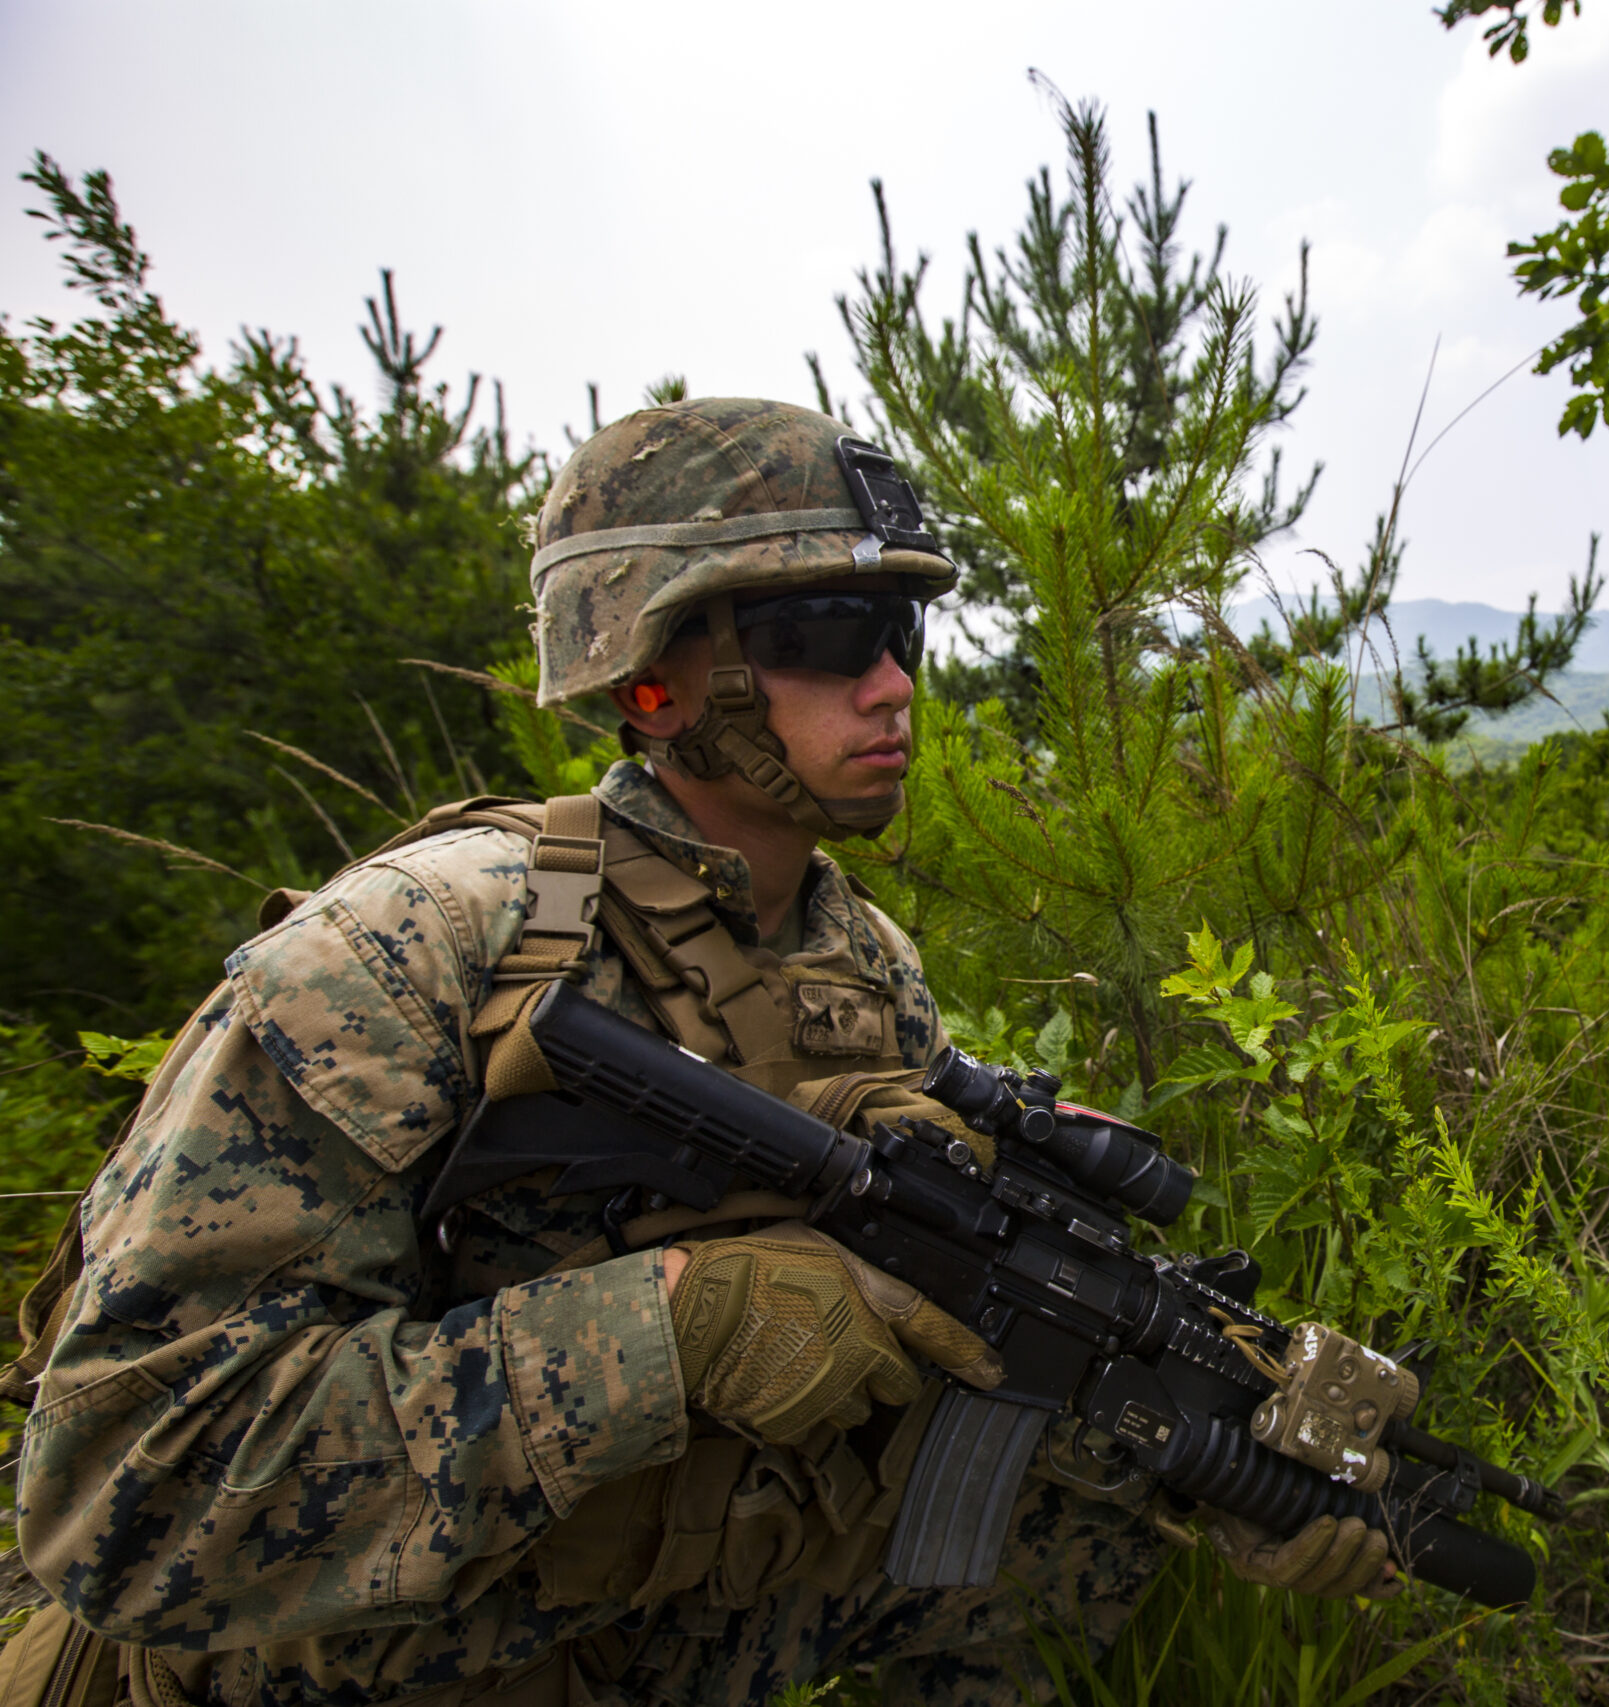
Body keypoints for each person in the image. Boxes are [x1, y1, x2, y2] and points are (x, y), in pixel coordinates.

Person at [4, 399, 1393, 1707]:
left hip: (618, 1636)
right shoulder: (422, 946)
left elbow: (958, 1351)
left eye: (904, 628)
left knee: (1073, 1545)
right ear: (658, 676)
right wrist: (675, 1330)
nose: (895, 684)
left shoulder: (863, 969)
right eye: (834, 633)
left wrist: (1213, 1467)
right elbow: (127, 1492)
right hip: (308, 1671)